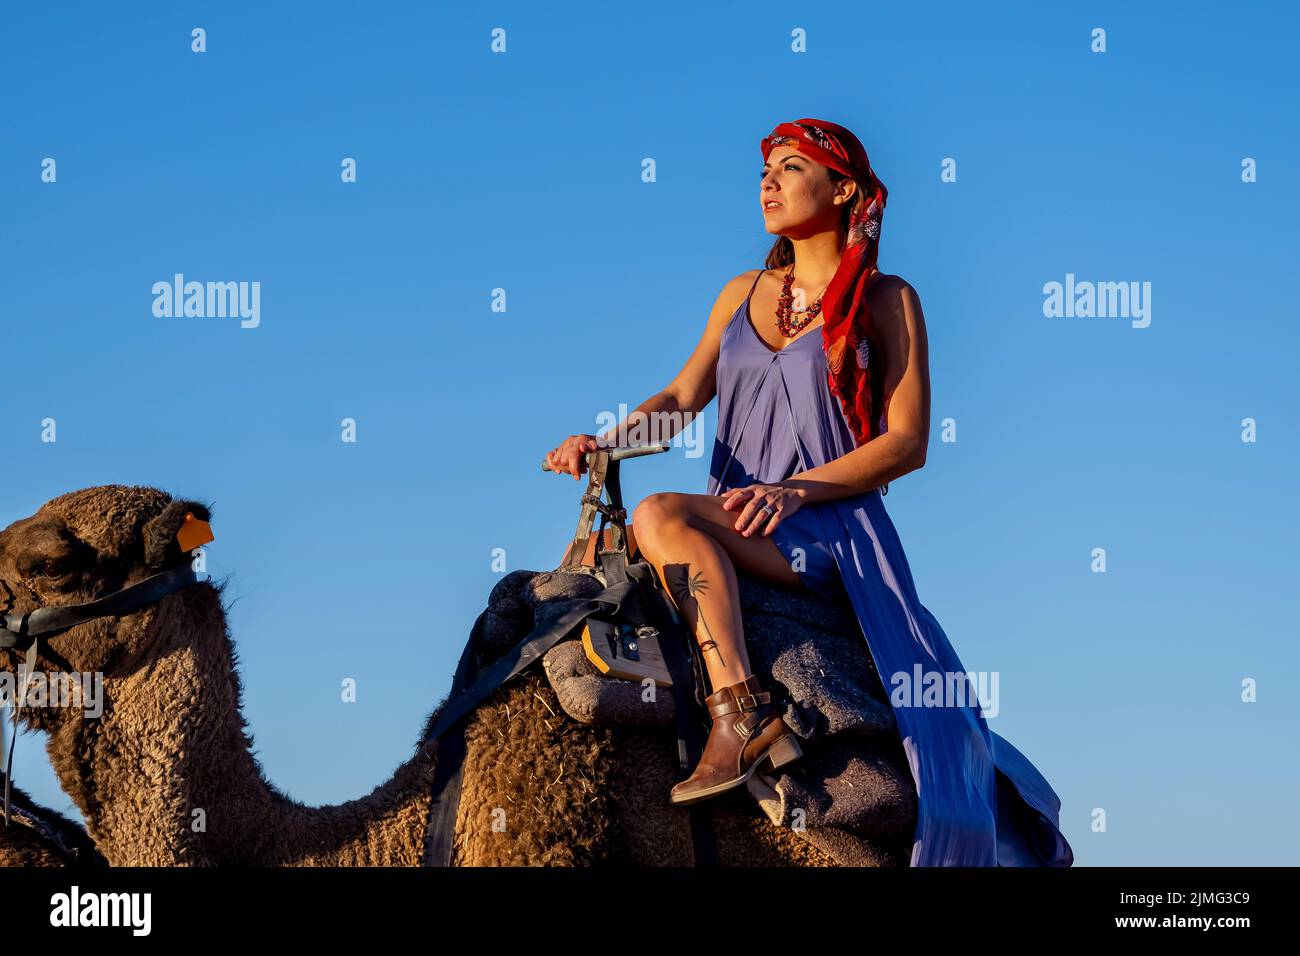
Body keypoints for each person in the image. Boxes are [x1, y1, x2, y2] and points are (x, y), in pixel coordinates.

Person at [545, 118, 1072, 866]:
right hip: (736, 518)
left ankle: (740, 716)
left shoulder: (889, 299)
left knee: (660, 512)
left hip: (828, 529)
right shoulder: (741, 292)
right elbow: (682, 395)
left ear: (844, 188)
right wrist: (608, 442)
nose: (768, 181)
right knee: (652, 529)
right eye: (764, 170)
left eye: (791, 168)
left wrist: (794, 490)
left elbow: (906, 443)